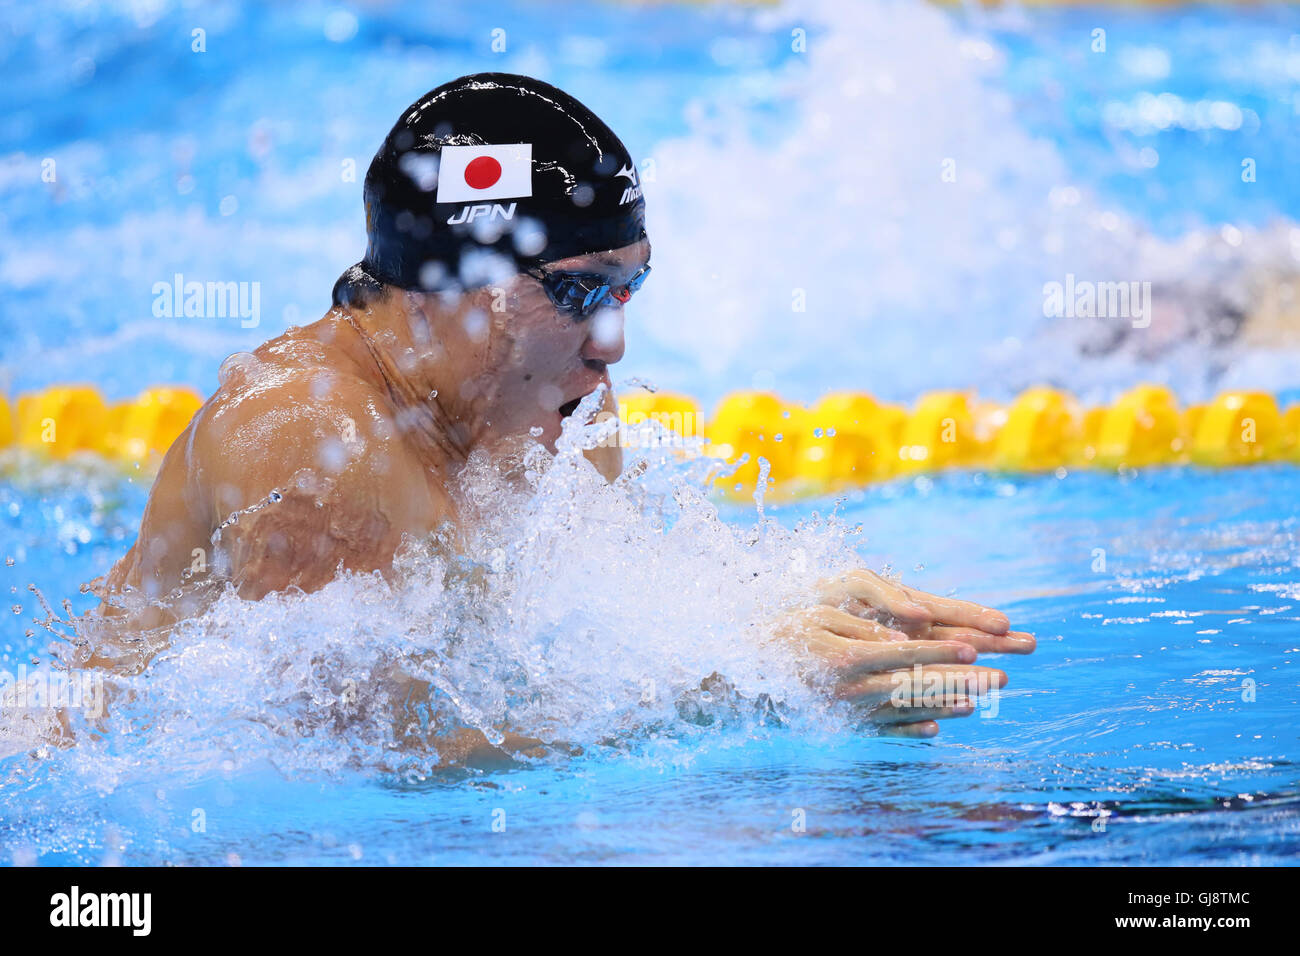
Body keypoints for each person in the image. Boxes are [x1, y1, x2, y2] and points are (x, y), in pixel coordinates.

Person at [84, 73, 1033, 761]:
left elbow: (589, 613)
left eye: (631, 289)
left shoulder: (551, 397)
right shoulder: (308, 438)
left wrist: (788, 614)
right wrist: (741, 692)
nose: (613, 344)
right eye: (580, 294)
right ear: (450, 289)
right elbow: (371, 759)